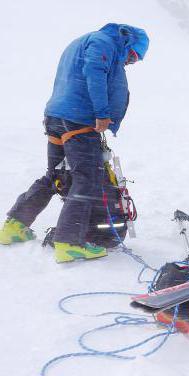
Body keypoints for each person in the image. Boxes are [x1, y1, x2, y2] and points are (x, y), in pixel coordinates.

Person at [0, 24, 149, 263]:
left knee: (57, 175)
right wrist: (102, 113)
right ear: (128, 42)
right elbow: (95, 73)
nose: (131, 62)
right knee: (86, 179)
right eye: (133, 56)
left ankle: (15, 226)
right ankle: (70, 243)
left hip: (57, 117)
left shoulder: (84, 41)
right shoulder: (104, 42)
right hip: (79, 120)